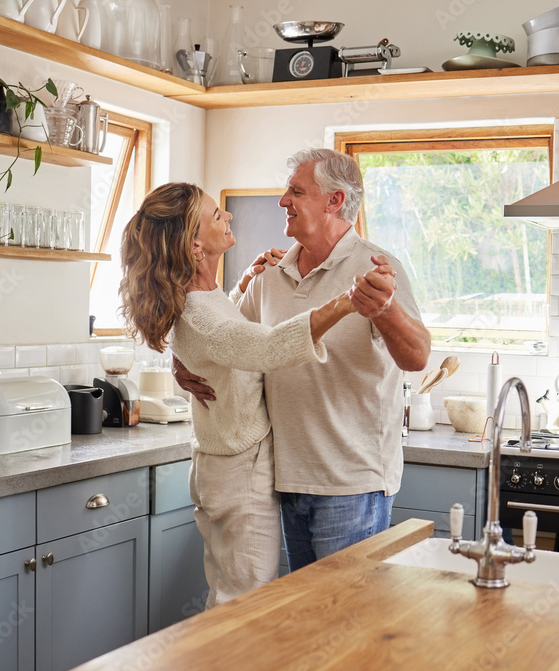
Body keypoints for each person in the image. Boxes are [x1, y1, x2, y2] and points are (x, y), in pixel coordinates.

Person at [119, 182, 393, 607]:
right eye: (216, 216)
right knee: (243, 603)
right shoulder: (201, 314)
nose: (228, 217)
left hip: (225, 464)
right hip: (239, 471)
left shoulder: (205, 296)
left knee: (233, 594)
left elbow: (221, 335)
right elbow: (262, 347)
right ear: (194, 247)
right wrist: (345, 303)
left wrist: (243, 284)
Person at [176, 149, 431, 572]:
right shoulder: (270, 276)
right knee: (307, 624)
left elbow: (418, 356)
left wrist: (385, 310)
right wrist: (183, 364)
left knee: (345, 622)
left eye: (296, 191)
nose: (282, 202)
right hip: (284, 479)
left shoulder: (375, 267)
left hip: (352, 485)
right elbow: (232, 348)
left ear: (333, 201)